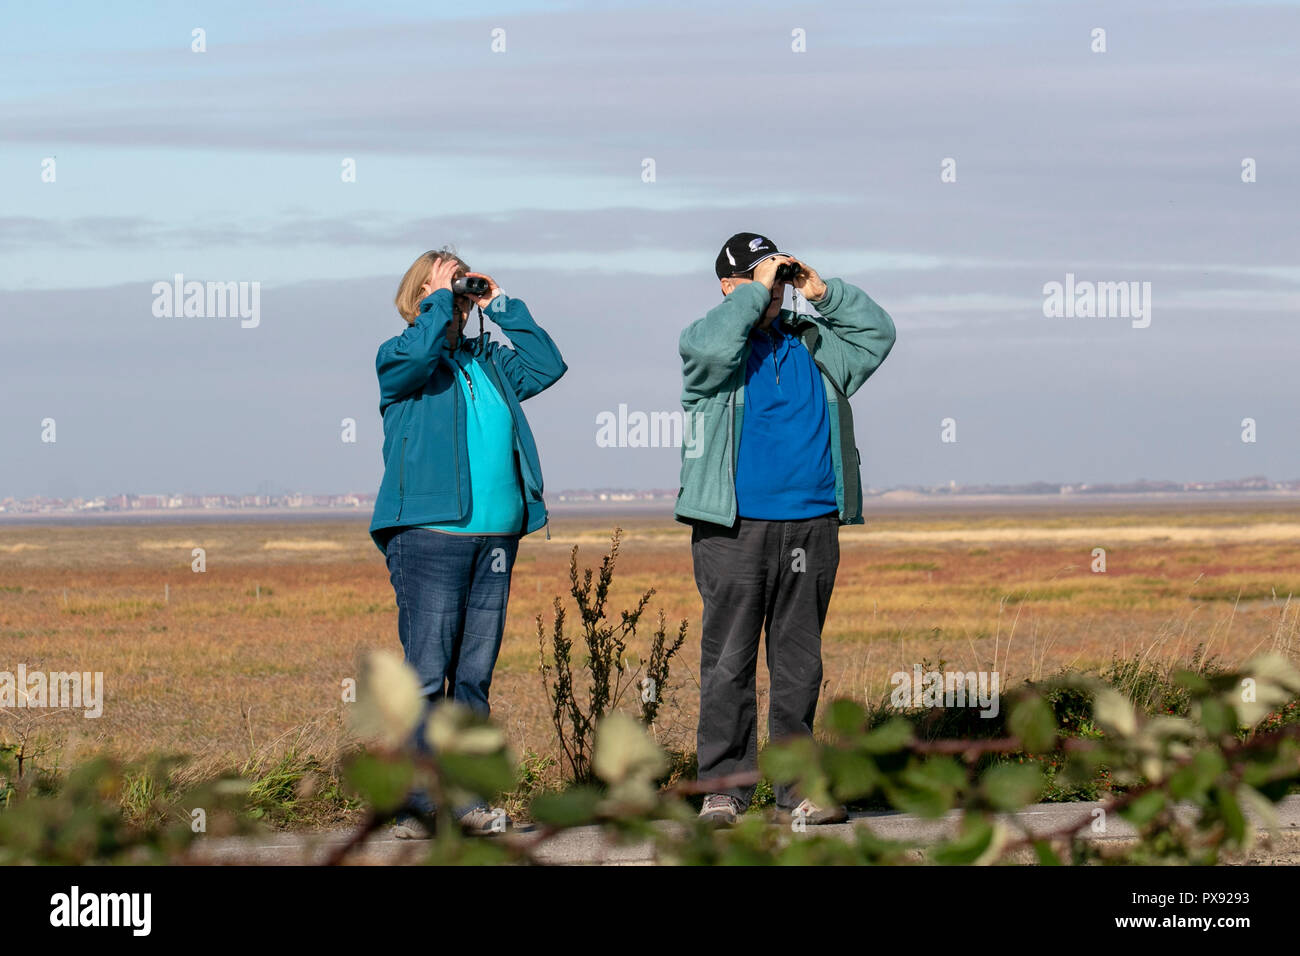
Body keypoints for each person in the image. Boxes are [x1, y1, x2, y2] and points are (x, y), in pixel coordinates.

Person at [676, 232, 896, 826]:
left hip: (814, 522)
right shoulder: (710, 345)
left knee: (800, 666)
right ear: (730, 288)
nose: (774, 286)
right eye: (756, 276)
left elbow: (879, 335)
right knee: (729, 662)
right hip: (734, 527)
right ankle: (724, 789)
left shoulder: (815, 345)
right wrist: (755, 294)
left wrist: (822, 292)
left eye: (777, 273)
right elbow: (711, 348)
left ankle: (796, 788)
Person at [369, 247, 566, 836]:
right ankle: (417, 805)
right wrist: (438, 301)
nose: (459, 288)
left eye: (463, 278)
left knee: (473, 678)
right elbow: (422, 348)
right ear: (421, 295)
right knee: (428, 676)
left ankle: (466, 802)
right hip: (430, 536)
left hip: (496, 540)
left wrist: (497, 303)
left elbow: (548, 363)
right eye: (446, 279)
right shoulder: (402, 357)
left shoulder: (491, 363)